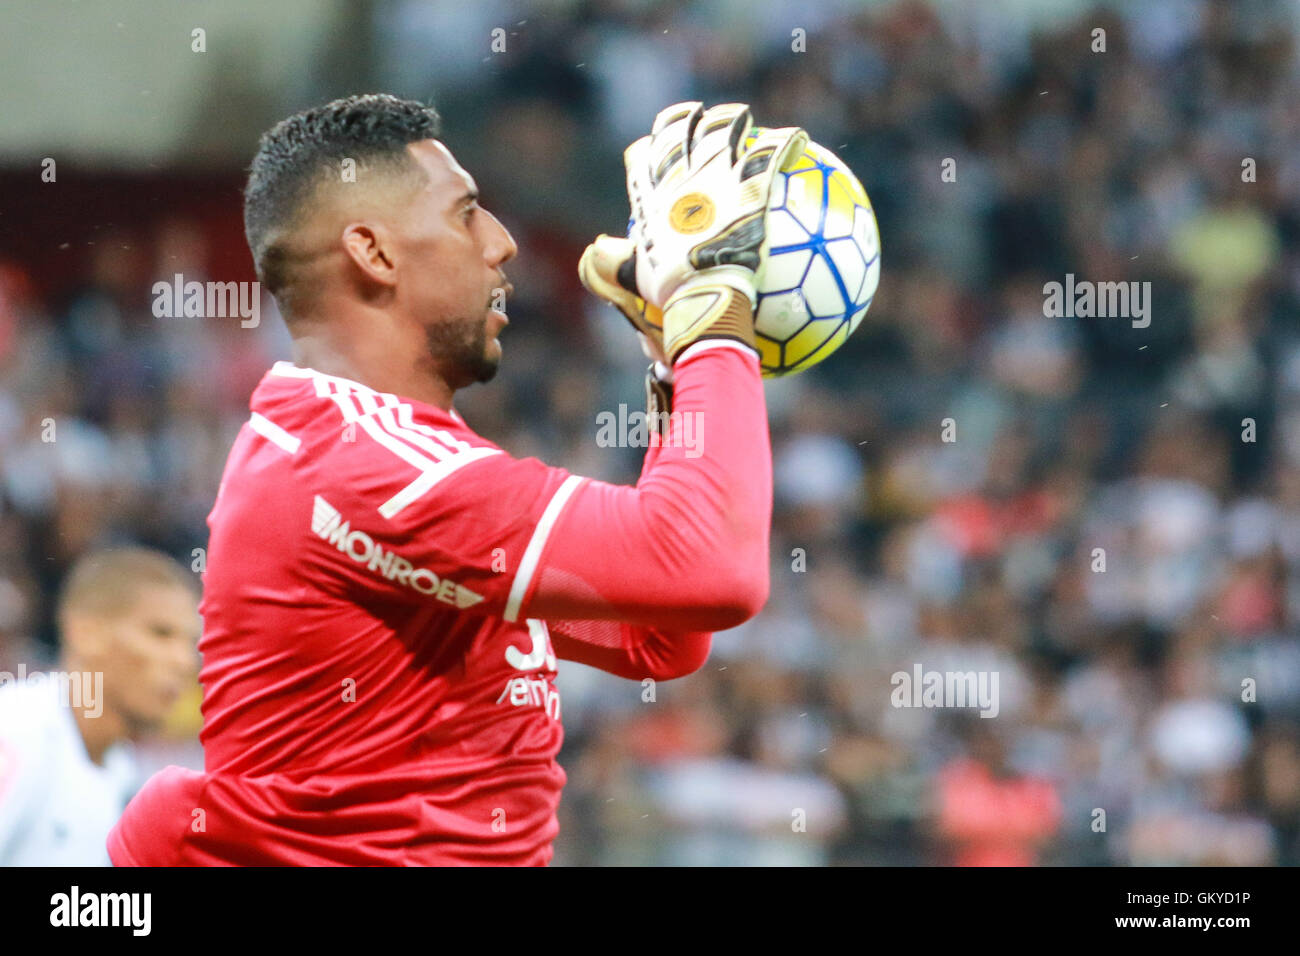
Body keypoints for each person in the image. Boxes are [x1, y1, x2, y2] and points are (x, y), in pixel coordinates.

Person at [108, 94, 802, 865]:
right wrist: (714, 312)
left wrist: (676, 366)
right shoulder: (367, 470)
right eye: (467, 213)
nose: (502, 244)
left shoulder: (375, 454)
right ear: (374, 253)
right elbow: (713, 571)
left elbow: (658, 635)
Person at [0, 547, 199, 865]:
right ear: (85, 632)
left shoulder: (120, 769)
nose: (185, 662)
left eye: (191, 643)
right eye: (161, 634)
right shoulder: (19, 732)